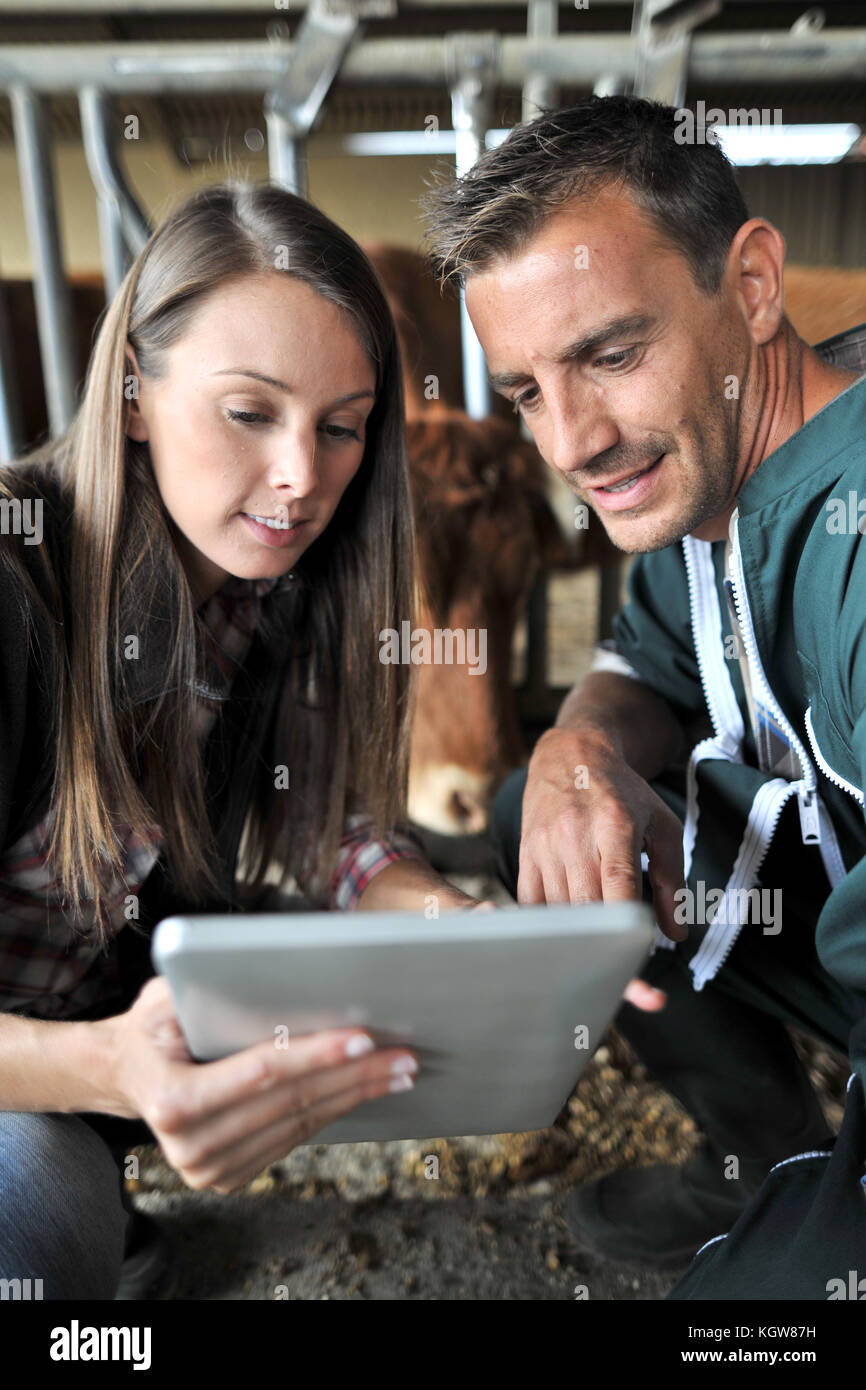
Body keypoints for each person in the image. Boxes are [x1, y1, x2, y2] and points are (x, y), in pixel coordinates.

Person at [0, 181, 513, 1301]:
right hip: (37, 1081)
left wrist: (465, 933)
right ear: (133, 395)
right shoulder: (13, 592)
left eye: (341, 426)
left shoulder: (261, 596)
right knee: (34, 1196)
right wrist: (105, 1069)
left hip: (83, 1056)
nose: (301, 477)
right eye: (249, 412)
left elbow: (335, 832)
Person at [424, 94, 866, 1298]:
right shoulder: (708, 479)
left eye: (610, 355)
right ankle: (762, 1160)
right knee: (547, 804)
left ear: (753, 284)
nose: (569, 443)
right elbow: (642, 662)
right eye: (525, 391)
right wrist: (575, 749)